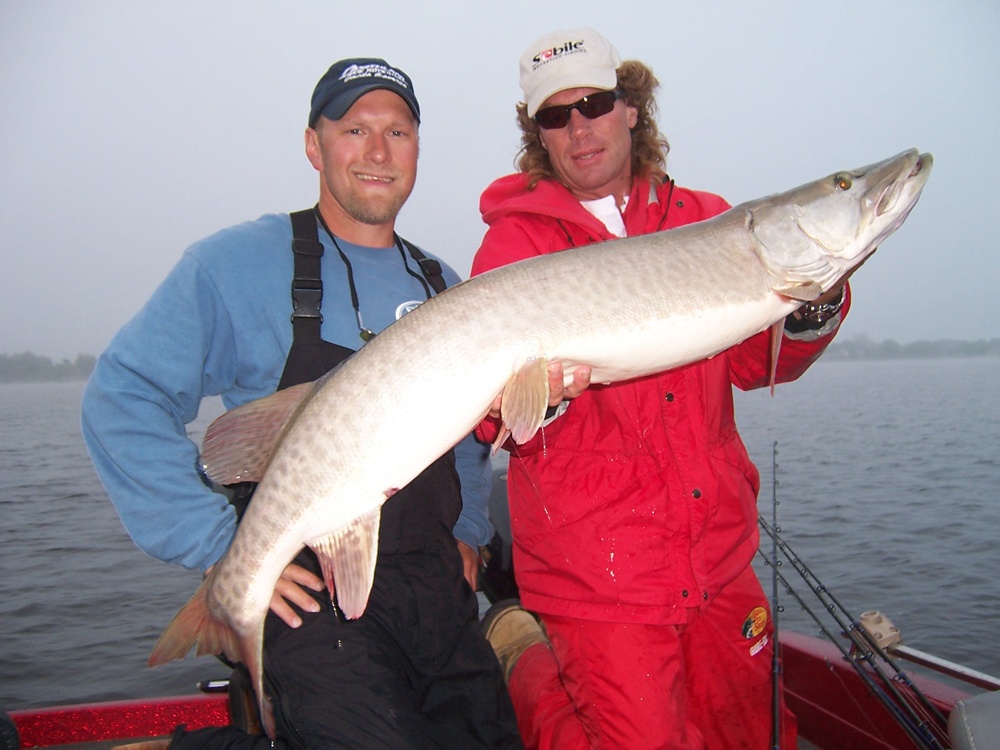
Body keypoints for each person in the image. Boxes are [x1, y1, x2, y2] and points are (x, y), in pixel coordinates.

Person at [82, 58, 521, 750]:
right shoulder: (233, 265)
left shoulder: (447, 286)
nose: (378, 152)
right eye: (354, 129)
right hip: (310, 598)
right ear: (315, 145)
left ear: (417, 149)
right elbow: (121, 398)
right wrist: (221, 546)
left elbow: (467, 430)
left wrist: (467, 529)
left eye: (398, 132)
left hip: (433, 592)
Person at [474, 29, 851, 750]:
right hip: (600, 574)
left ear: (630, 108)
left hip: (716, 552)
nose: (580, 127)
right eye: (556, 116)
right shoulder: (514, 247)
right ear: (540, 137)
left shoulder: (709, 219)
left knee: (752, 738)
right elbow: (495, 420)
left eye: (595, 103)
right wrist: (538, 397)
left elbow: (755, 363)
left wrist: (815, 309)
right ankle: (524, 658)